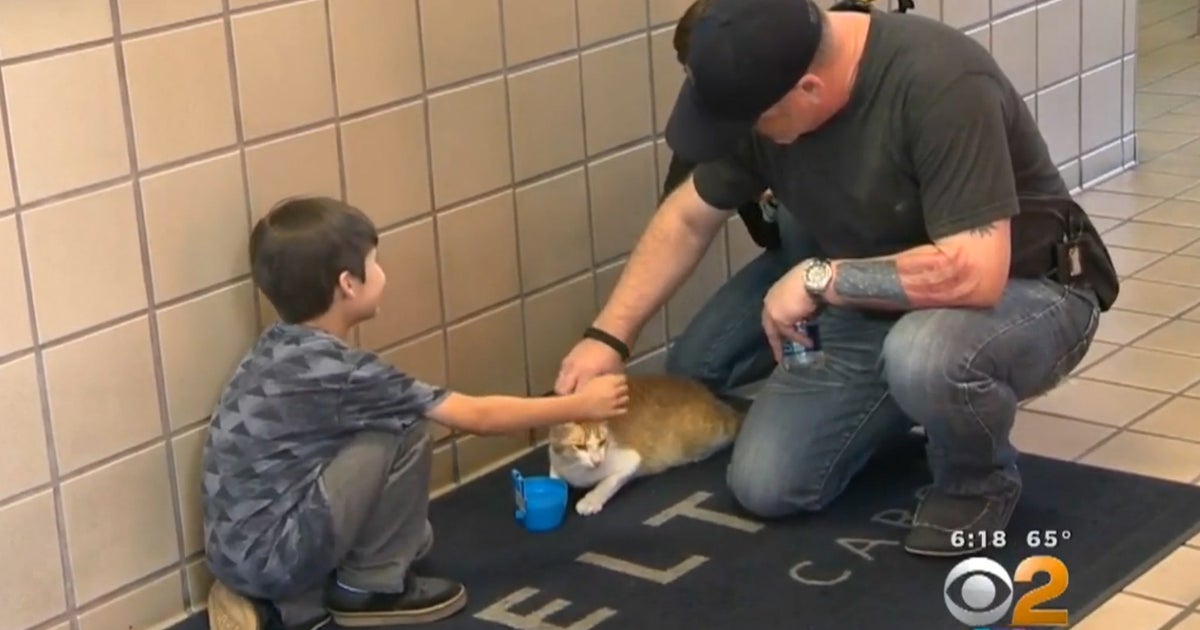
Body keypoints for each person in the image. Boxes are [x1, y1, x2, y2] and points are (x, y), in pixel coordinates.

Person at [555, 0, 1118, 556]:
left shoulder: (941, 82)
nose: (751, 135)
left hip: (1028, 290)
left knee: (924, 354)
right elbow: (686, 217)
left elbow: (974, 272)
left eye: (758, 123)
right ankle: (897, 406)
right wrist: (608, 336)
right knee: (766, 485)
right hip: (870, 302)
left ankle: (976, 482)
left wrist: (820, 278)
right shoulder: (762, 91)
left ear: (808, 90)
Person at [202, 197, 630, 630]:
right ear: (349, 284)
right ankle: (365, 591)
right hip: (274, 556)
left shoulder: (276, 345)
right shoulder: (346, 373)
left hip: (236, 552)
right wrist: (581, 405)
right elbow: (475, 416)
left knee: (412, 538)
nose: (384, 272)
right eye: (376, 261)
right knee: (405, 423)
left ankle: (272, 608)